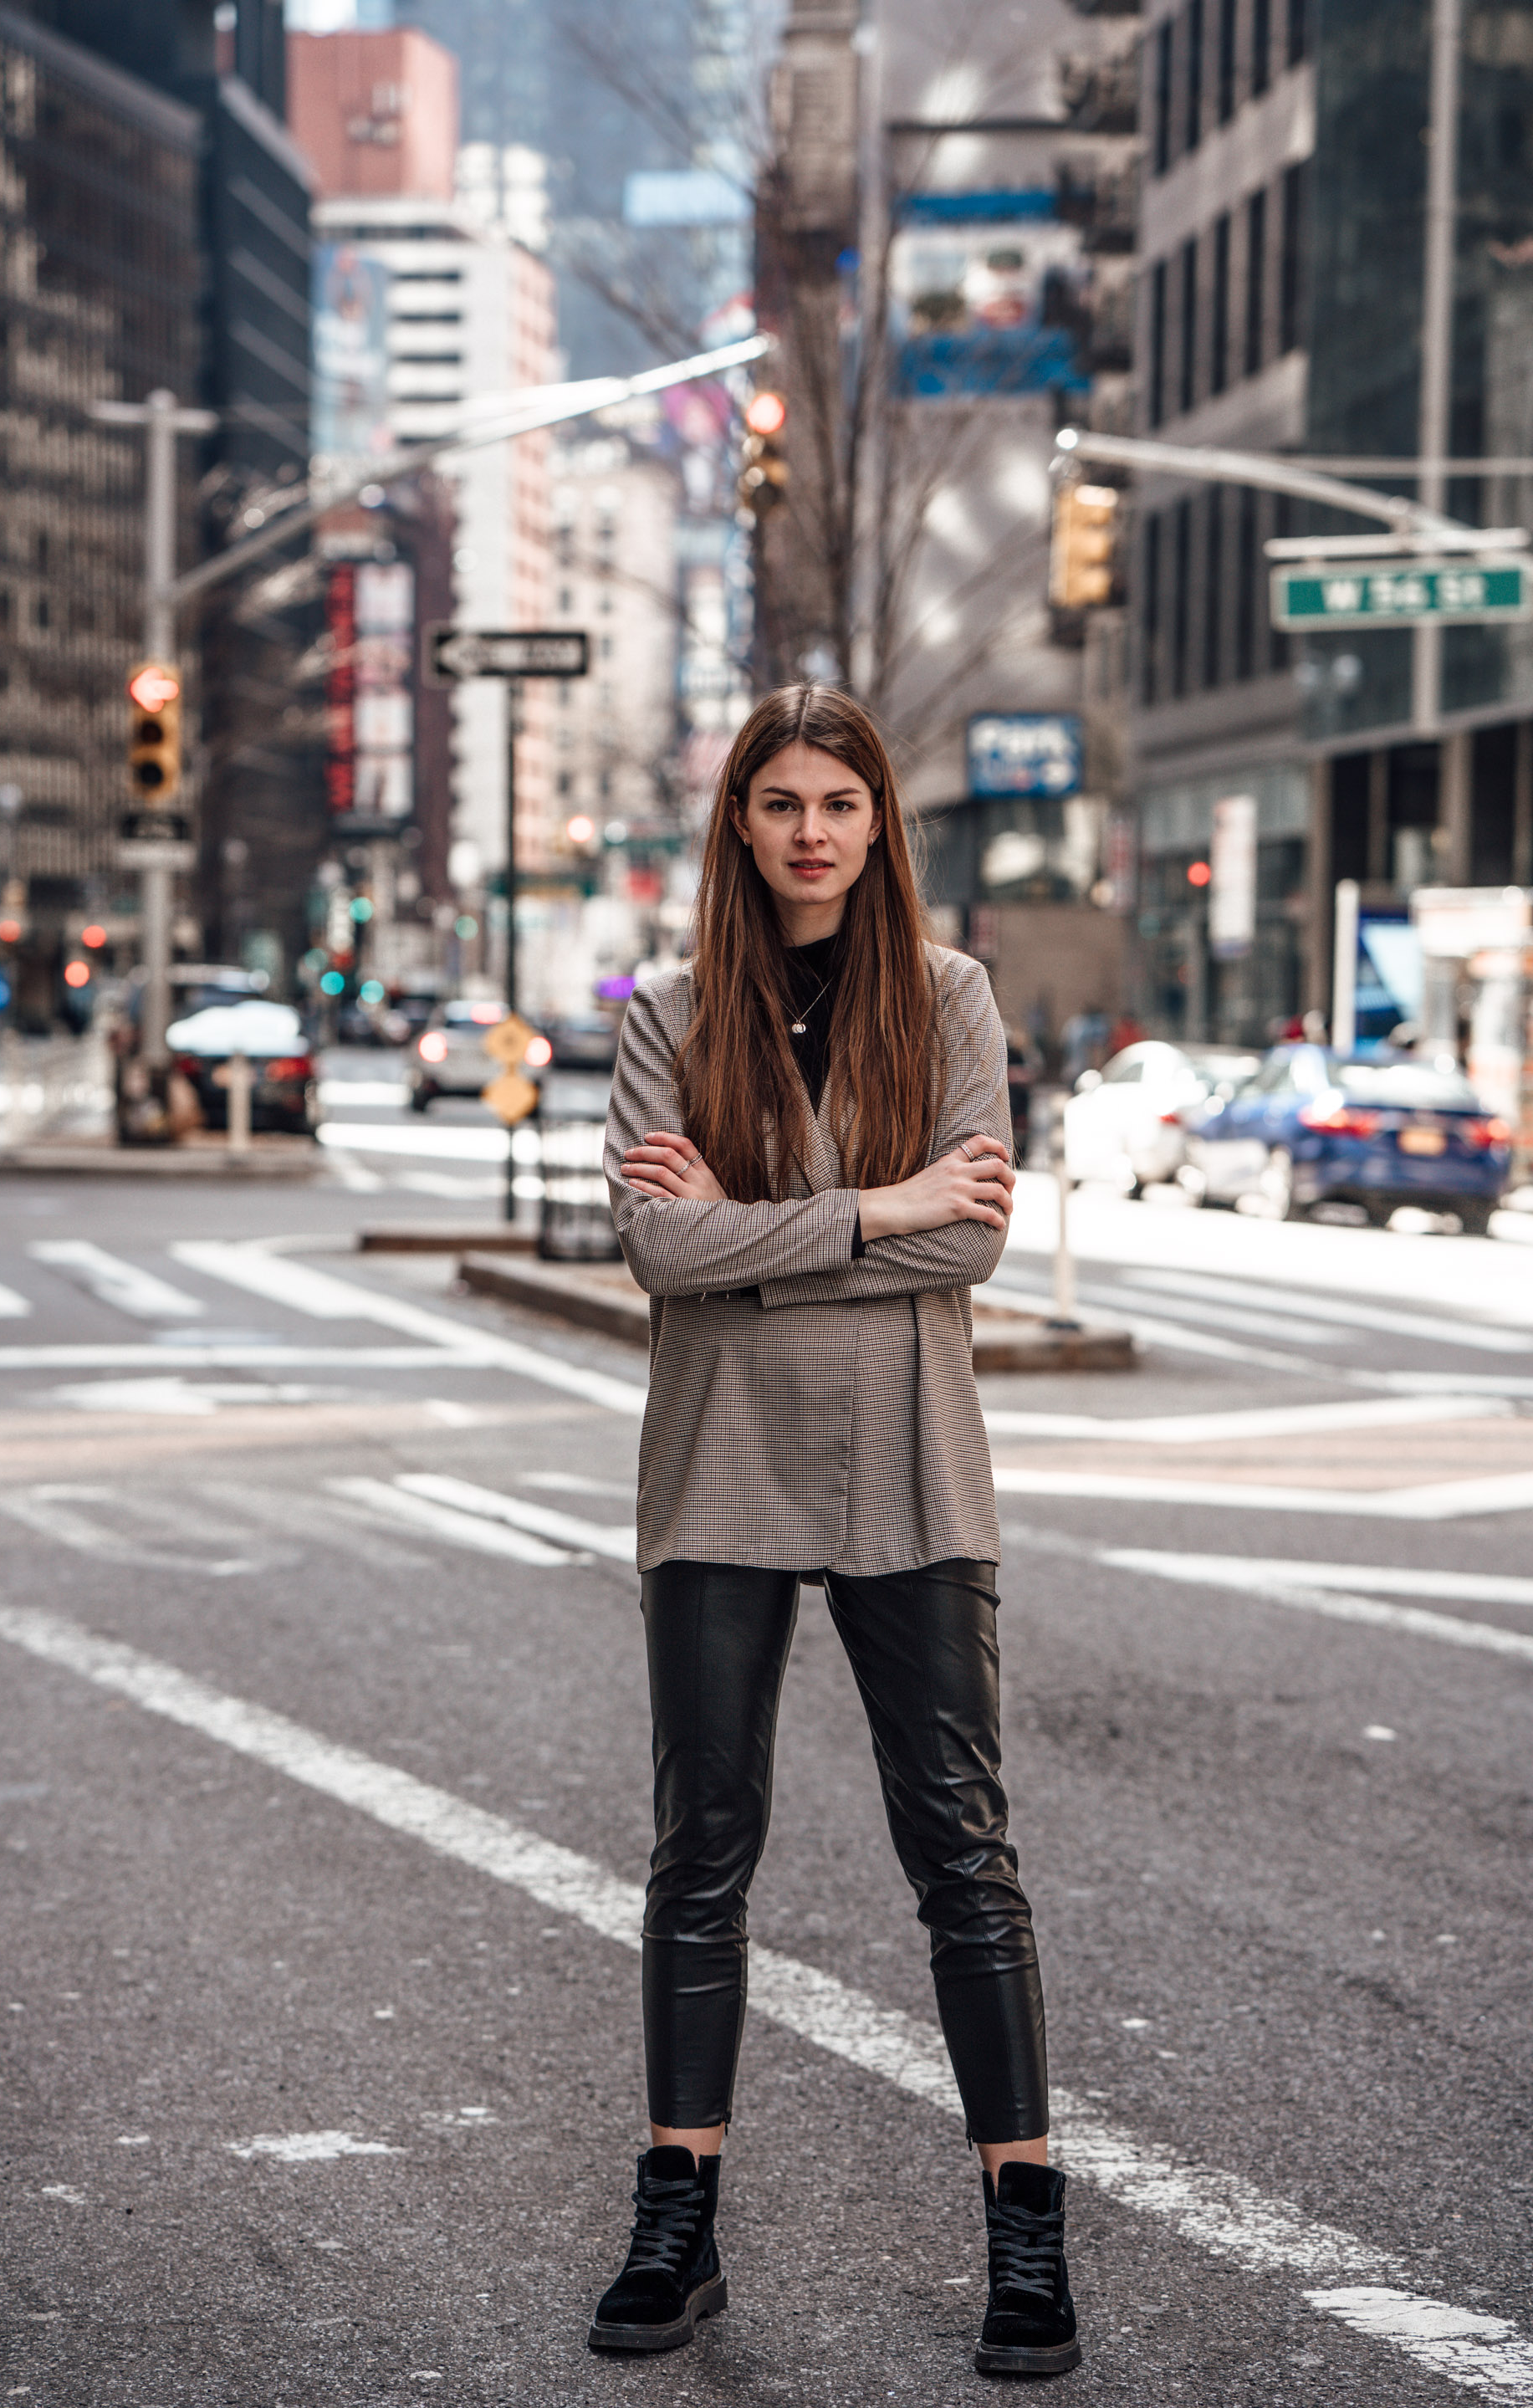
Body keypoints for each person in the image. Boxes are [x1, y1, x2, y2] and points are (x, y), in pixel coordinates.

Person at [590, 685, 1079, 2377]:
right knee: (700, 1852)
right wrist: (878, 1208)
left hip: (910, 1460)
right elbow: (661, 1259)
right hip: (718, 1461)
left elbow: (978, 1249)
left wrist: (754, 1227)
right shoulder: (670, 1011)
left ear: (882, 827)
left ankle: (1028, 2234)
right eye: (782, 801)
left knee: (963, 1854)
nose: (812, 828)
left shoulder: (949, 1000)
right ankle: (678, 2223)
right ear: (740, 822)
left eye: (840, 803)